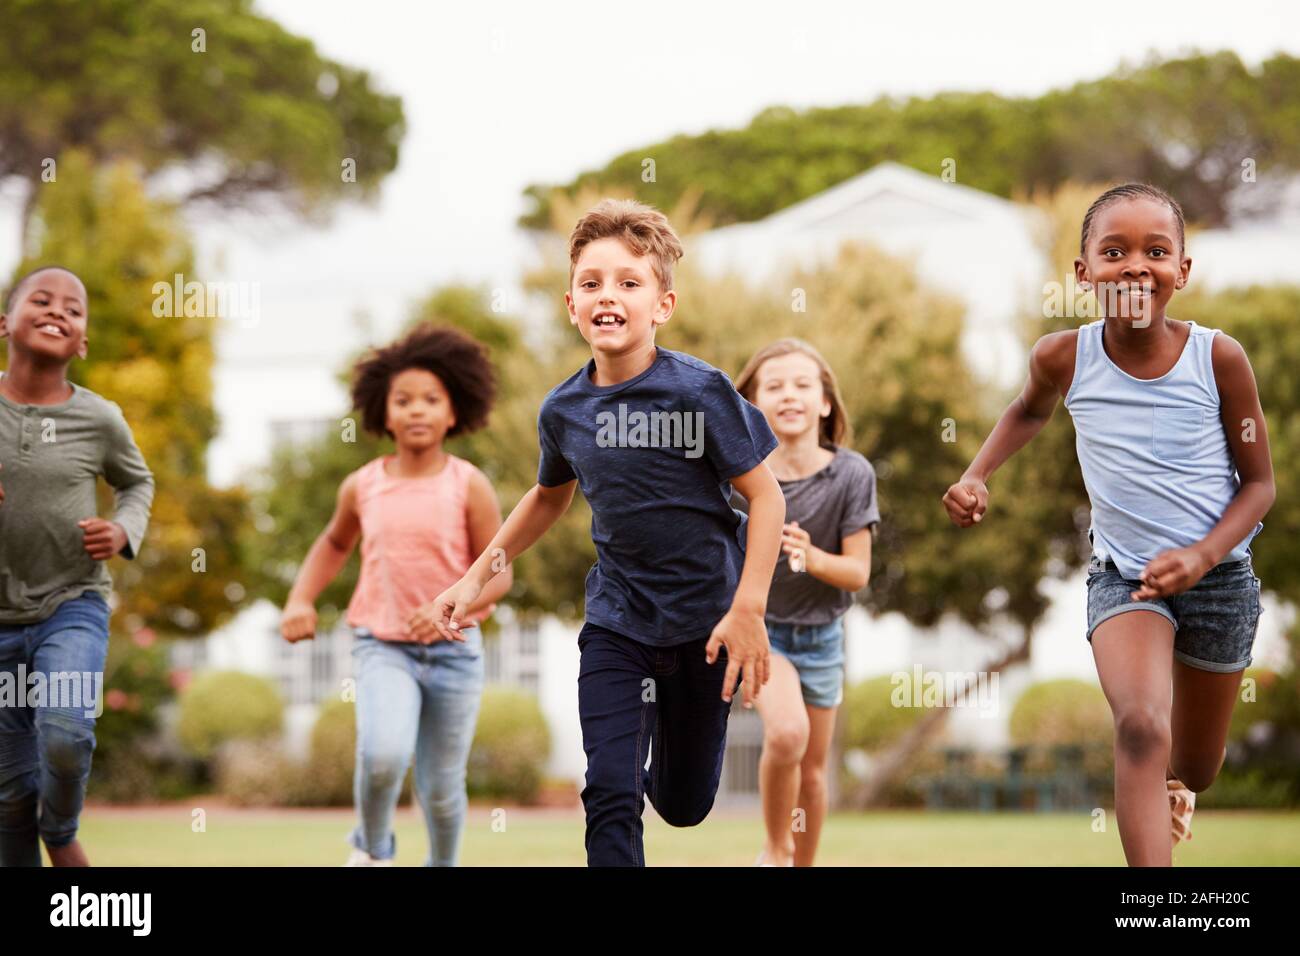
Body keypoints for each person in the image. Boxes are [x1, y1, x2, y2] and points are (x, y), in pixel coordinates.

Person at [427, 198, 786, 866]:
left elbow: (766, 497)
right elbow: (546, 498)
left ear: (663, 305)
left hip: (705, 628)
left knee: (682, 805)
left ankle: (665, 772)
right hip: (617, 623)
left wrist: (748, 607)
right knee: (611, 790)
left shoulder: (699, 392)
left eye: (629, 282)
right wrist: (475, 577)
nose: (608, 296)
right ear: (571, 305)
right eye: (591, 283)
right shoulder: (564, 410)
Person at [943, 184, 1274, 866]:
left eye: (1156, 252)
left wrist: (1204, 556)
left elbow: (1260, 484)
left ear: (1182, 271)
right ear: (1082, 271)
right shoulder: (1063, 358)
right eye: (1113, 251)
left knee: (1197, 763)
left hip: (1220, 580)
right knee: (1141, 728)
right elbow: (1028, 411)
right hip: (1125, 579)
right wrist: (978, 474)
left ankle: (1181, 785)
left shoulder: (1219, 360)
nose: (1134, 267)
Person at [280, 324, 510, 866]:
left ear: (453, 412)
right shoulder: (363, 485)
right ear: (383, 413)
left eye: (431, 400)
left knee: (441, 787)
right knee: (382, 755)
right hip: (382, 644)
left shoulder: (468, 484)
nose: (416, 411)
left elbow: (499, 574)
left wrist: (454, 606)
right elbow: (334, 544)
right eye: (402, 401)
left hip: (455, 652)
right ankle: (373, 850)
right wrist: (299, 599)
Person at [0, 265, 155, 867]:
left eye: (73, 309)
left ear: (83, 342)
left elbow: (137, 483)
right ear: (5, 323)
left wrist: (122, 529)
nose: (57, 311)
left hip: (71, 603)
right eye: (40, 300)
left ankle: (60, 830)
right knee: (9, 798)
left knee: (65, 735)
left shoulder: (100, 418)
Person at [732, 338, 877, 866]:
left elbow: (857, 573)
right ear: (751, 403)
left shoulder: (852, 474)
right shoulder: (738, 478)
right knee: (788, 734)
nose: (788, 395)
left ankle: (802, 864)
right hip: (763, 634)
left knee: (814, 772)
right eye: (773, 386)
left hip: (823, 637)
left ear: (824, 402)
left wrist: (811, 556)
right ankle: (774, 850)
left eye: (801, 385)